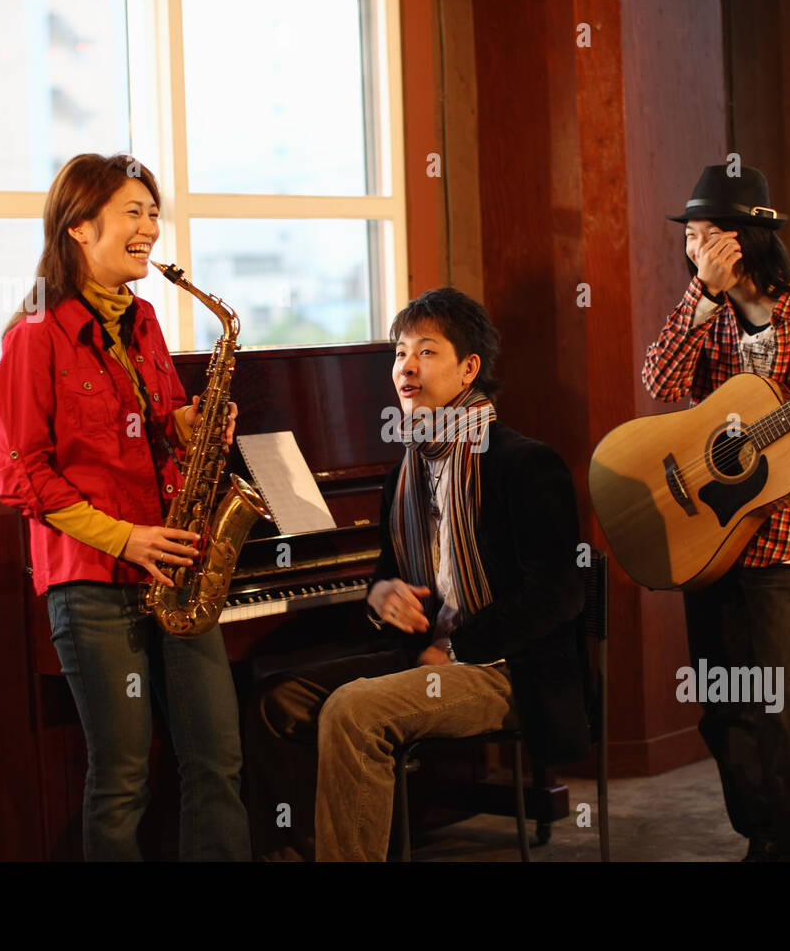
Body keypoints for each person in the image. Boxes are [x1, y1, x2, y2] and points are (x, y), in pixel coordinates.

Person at [248, 287, 590, 861]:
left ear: (468, 369)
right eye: (400, 352)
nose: (406, 367)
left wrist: (457, 648)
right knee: (275, 700)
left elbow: (559, 593)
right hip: (427, 657)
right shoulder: (403, 472)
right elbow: (388, 572)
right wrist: (382, 593)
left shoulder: (523, 463)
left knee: (354, 710)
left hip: (505, 669)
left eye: (426, 352)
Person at [0, 153, 248, 861]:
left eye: (153, 213)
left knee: (216, 760)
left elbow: (161, 423)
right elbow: (20, 476)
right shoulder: (33, 336)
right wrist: (124, 539)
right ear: (78, 227)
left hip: (174, 567)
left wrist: (194, 424)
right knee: (123, 779)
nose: (150, 229)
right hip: (93, 583)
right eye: (133, 213)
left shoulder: (146, 321)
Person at [642, 164, 790, 861]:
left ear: (746, 241)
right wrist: (700, 295)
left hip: (784, 541)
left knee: (781, 700)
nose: (693, 249)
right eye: (691, 239)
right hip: (706, 539)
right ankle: (761, 836)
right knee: (722, 704)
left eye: (707, 237)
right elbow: (660, 382)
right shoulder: (703, 318)